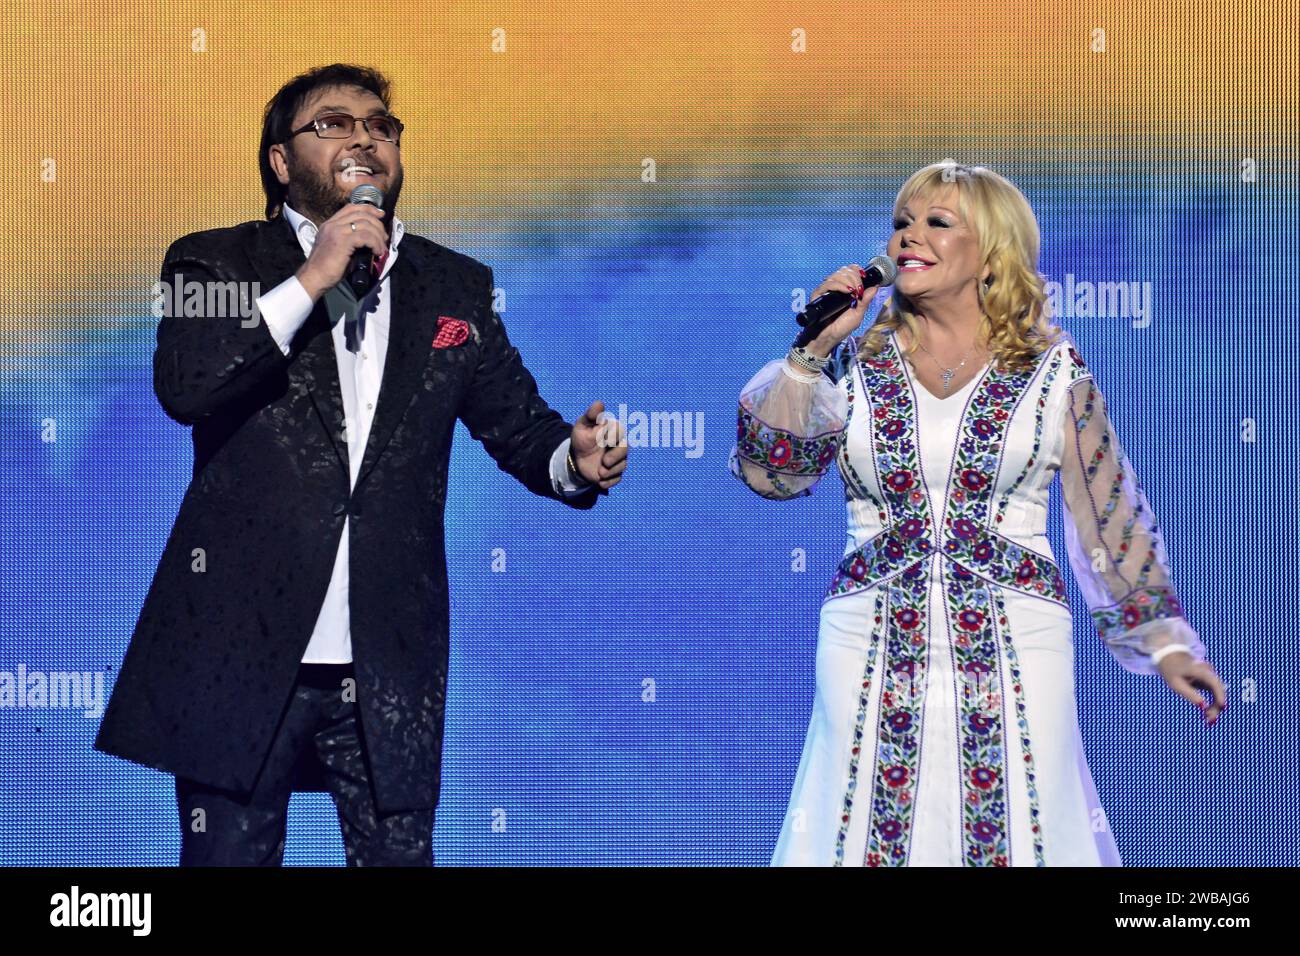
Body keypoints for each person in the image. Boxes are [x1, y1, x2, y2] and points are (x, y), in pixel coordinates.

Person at [93, 63, 628, 866]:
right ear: (281, 162)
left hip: (386, 663)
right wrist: (316, 276)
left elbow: (521, 429)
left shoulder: (455, 288)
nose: (364, 138)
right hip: (240, 650)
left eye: (380, 126)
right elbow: (189, 384)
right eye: (333, 124)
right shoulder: (211, 264)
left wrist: (574, 460)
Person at [729, 161, 1226, 867]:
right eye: (902, 221)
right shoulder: (855, 360)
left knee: (1022, 825)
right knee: (858, 823)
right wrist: (812, 352)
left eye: (937, 222)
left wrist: (1165, 641)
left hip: (1018, 645)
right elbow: (770, 475)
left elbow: (1106, 513)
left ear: (990, 251)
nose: (909, 236)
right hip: (866, 641)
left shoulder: (1051, 368)